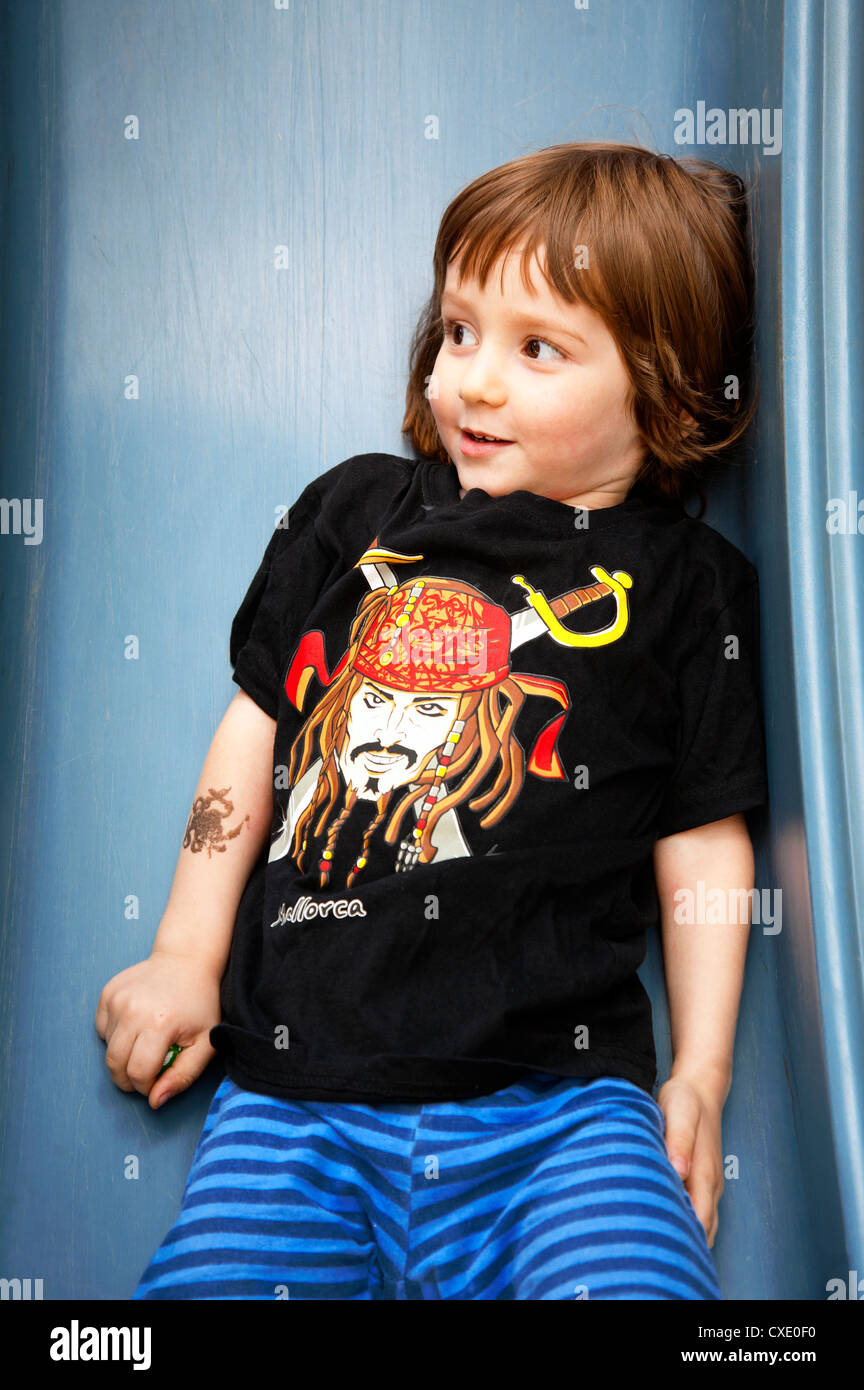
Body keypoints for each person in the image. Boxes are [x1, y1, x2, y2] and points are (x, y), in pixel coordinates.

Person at [97, 141, 769, 1300]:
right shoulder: (359, 510)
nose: (473, 381)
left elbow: (702, 836)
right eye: (458, 331)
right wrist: (183, 953)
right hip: (297, 1095)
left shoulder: (685, 586)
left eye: (535, 349)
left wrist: (700, 1069)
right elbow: (256, 729)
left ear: (660, 393)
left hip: (560, 1120)